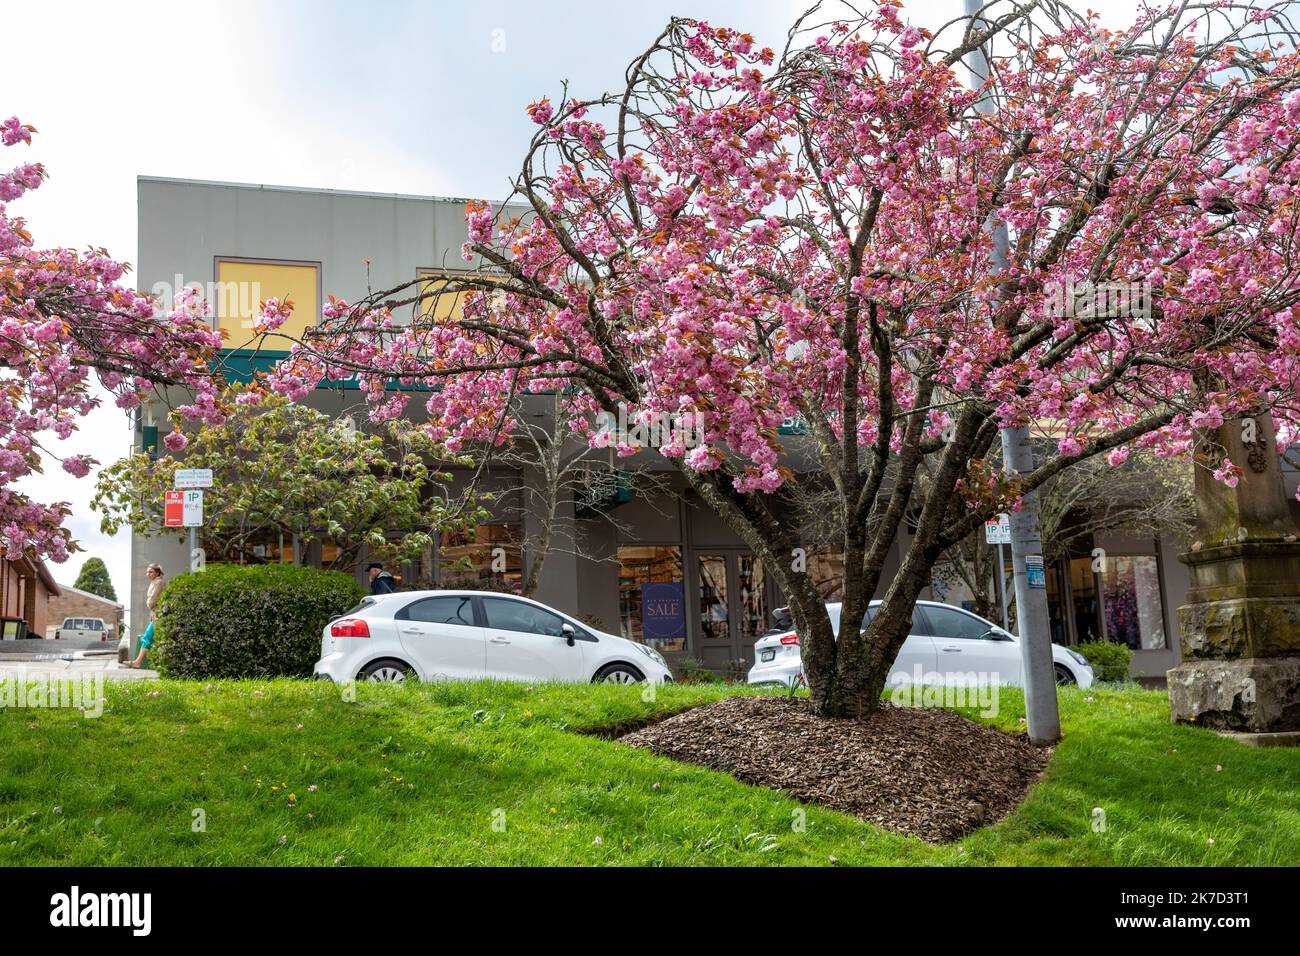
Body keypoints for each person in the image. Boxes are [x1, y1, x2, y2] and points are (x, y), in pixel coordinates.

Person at [126, 563, 164, 669]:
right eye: (147, 572)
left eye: (151, 572)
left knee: (147, 637)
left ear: (157, 573)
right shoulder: (153, 583)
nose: (148, 574)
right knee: (154, 639)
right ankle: (158, 664)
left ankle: (138, 662)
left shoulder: (159, 583)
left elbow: (151, 602)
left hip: (159, 616)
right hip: (155, 616)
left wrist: (149, 602)